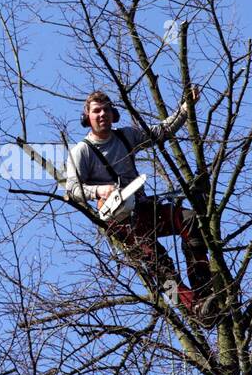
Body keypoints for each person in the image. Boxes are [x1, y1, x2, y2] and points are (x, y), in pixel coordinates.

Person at [64, 88, 220, 327]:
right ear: (87, 116)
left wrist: (185, 109)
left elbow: (160, 132)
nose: (102, 114)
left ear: (113, 113)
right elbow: (72, 190)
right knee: (160, 266)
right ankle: (194, 308)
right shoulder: (82, 151)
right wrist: (99, 190)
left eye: (106, 109)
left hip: (144, 208)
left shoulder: (126, 136)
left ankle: (204, 290)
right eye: (96, 111)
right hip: (120, 223)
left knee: (189, 220)